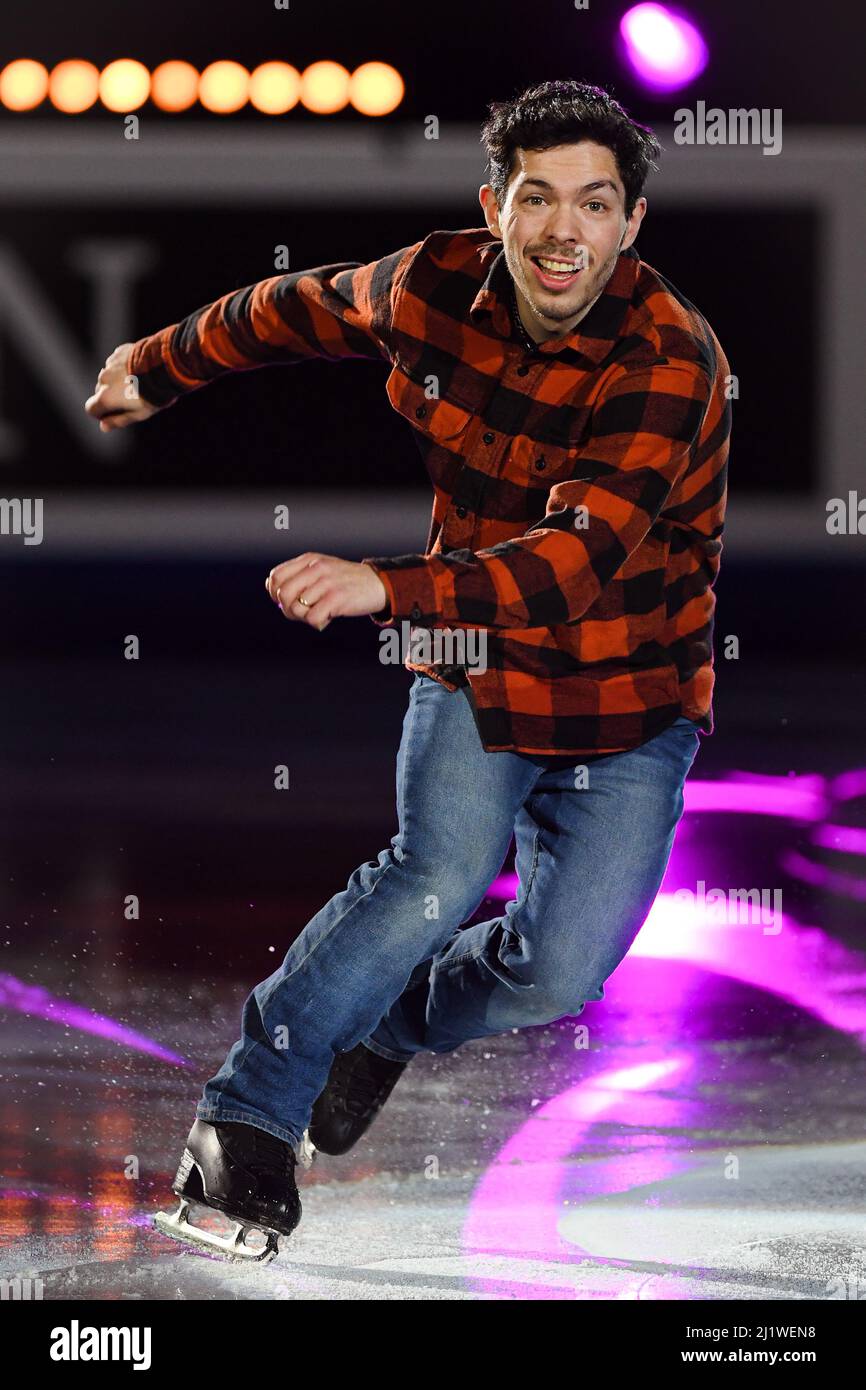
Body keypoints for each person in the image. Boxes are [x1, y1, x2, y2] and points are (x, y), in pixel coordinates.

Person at [84, 79, 731, 1263]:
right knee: (432, 876)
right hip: (470, 659)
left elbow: (570, 566)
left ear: (629, 226)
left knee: (555, 973)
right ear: (494, 205)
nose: (560, 231)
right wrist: (160, 363)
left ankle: (378, 1026)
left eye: (593, 204)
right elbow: (290, 307)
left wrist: (388, 586)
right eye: (536, 198)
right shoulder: (431, 283)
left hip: (627, 701)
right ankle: (245, 1118)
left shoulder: (671, 360)